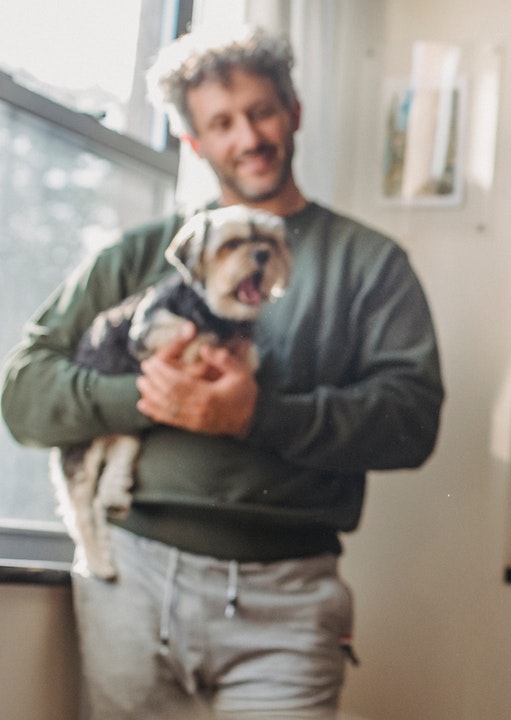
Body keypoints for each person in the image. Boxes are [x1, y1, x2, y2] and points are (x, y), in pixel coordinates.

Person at [0, 25, 444, 719]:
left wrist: (253, 414)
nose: (249, 137)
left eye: (262, 112)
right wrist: (150, 396)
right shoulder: (139, 255)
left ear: (294, 112)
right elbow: (24, 395)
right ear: (193, 141)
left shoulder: (371, 265)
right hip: (130, 582)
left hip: (290, 603)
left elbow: (411, 422)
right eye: (222, 122)